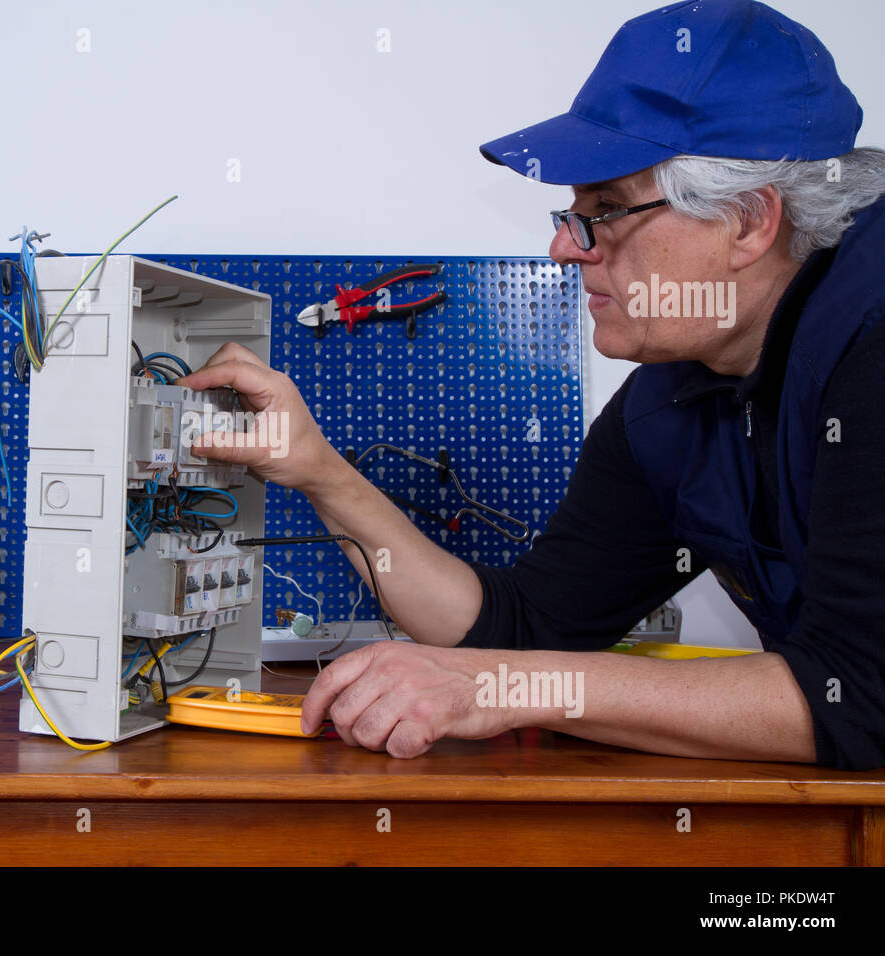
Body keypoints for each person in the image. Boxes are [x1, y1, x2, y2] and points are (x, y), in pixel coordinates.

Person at [175, 0, 885, 770]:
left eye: (606, 210)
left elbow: (863, 701)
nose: (561, 248)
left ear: (749, 221)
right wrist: (320, 473)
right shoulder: (674, 401)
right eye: (571, 211)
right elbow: (522, 628)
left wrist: (505, 690)